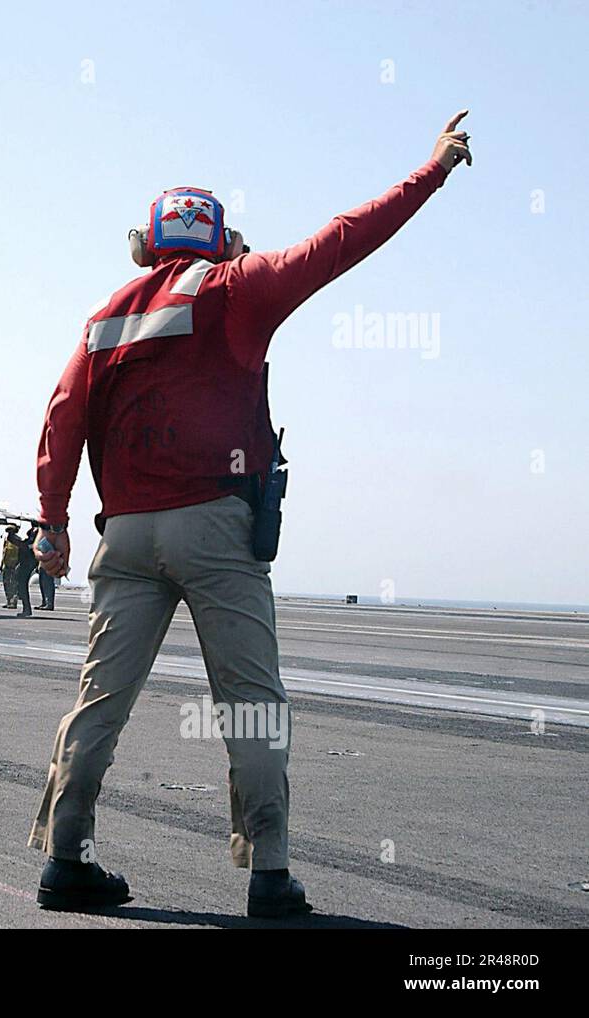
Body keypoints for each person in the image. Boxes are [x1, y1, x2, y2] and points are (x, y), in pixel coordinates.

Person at [29, 113, 473, 915]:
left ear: (146, 244)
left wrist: (52, 521)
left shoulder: (104, 318)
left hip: (124, 538)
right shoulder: (238, 289)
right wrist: (431, 171)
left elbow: (63, 416)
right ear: (222, 240)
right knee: (251, 701)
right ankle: (269, 874)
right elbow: (342, 240)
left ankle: (67, 859)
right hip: (214, 533)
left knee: (99, 701)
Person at [10, 525, 40, 618]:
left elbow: (26, 546)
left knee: (22, 584)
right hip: (27, 562)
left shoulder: (35, 541)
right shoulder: (34, 538)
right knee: (21, 584)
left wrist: (12, 535)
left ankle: (26, 608)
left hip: (28, 562)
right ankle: (25, 607)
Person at [0, 525, 21, 608]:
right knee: (6, 583)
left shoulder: (18, 540)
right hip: (6, 564)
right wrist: (1, 564)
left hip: (14, 565)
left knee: (14, 584)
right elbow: (4, 552)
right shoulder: (6, 540)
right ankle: (8, 600)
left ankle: (13, 602)